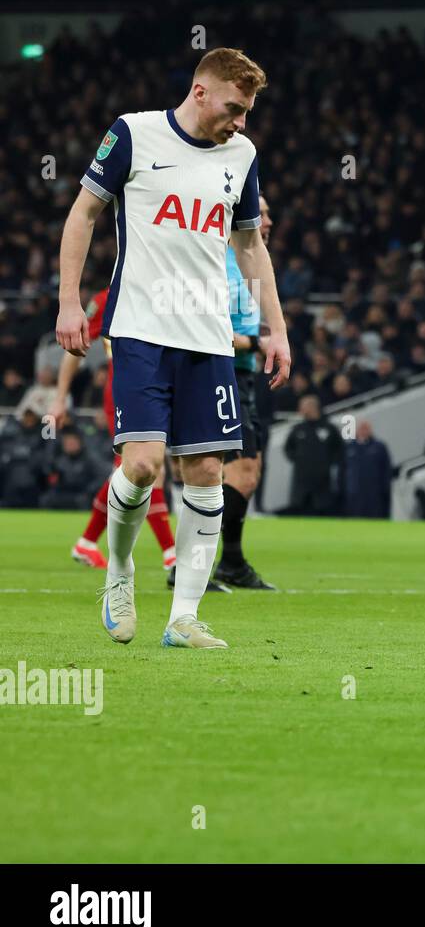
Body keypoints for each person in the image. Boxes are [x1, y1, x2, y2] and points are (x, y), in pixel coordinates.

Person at [55, 48, 290, 649]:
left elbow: (249, 247)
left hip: (208, 338)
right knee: (140, 466)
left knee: (208, 470)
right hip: (139, 328)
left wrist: (277, 328)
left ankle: (183, 617)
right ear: (201, 90)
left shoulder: (243, 156)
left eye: (248, 111)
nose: (240, 121)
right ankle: (119, 570)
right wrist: (69, 301)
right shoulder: (133, 133)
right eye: (235, 108)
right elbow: (83, 213)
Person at [51, 286, 180, 576]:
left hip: (162, 387)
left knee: (129, 470)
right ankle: (172, 555)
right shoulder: (110, 295)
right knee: (147, 468)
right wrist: (60, 398)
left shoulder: (172, 286)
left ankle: (86, 542)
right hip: (127, 390)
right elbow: (76, 345)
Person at [214, 195, 277, 589]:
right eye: (262, 213)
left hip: (244, 374)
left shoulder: (250, 262)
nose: (268, 220)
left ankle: (230, 562)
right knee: (234, 470)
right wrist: (256, 345)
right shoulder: (218, 261)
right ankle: (197, 562)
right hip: (222, 373)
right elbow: (207, 325)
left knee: (246, 471)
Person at [284, 394, 344, 515]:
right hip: (302, 481)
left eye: (302, 406)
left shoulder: (329, 428)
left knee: (323, 511)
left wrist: (329, 462)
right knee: (302, 512)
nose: (300, 410)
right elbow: (288, 448)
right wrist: (298, 459)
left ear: (312, 407)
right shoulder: (298, 429)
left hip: (322, 481)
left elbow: (340, 449)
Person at [343, 420, 393, 518]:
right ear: (356, 430)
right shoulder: (349, 447)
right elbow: (343, 471)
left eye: (366, 428)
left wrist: (385, 489)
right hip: (355, 494)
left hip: (374, 493)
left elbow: (386, 470)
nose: (363, 431)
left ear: (370, 430)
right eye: (361, 428)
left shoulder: (379, 447)